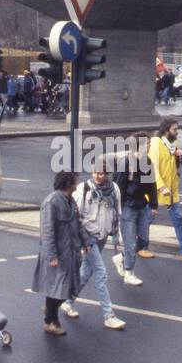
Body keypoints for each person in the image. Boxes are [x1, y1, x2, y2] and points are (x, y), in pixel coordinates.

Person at [64, 169, 127, 330]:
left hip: (102, 235)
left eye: (101, 173)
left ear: (108, 174)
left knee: (85, 272)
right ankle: (109, 316)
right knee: (101, 272)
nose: (97, 176)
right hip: (88, 236)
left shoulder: (114, 189)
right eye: (95, 172)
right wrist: (80, 240)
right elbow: (74, 216)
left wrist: (116, 235)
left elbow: (117, 213)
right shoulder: (83, 189)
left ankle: (67, 302)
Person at [33, 171, 92, 336]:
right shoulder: (51, 202)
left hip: (70, 253)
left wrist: (86, 241)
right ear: (68, 183)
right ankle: (51, 321)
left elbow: (78, 224)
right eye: (75, 181)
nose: (77, 184)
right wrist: (51, 255)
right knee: (58, 288)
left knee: (63, 288)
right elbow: (47, 231)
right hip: (58, 255)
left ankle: (50, 310)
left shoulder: (70, 201)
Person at [148, 117, 182, 262]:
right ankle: (136, 247)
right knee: (147, 219)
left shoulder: (172, 143)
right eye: (175, 129)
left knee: (178, 218)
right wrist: (161, 186)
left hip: (171, 189)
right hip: (156, 189)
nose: (177, 132)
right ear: (166, 130)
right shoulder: (155, 143)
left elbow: (174, 164)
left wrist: (179, 155)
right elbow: (153, 167)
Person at [113, 131, 156, 285]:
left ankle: (122, 257)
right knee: (130, 242)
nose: (150, 146)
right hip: (128, 207)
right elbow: (118, 188)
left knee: (143, 241)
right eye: (148, 144)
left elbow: (152, 184)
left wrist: (153, 204)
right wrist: (117, 211)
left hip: (142, 205)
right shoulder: (126, 163)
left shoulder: (147, 161)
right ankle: (129, 273)